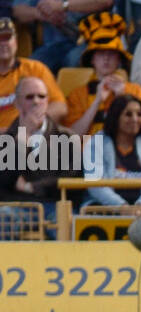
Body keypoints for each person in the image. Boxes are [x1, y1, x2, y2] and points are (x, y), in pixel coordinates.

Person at [0, 76, 82, 225]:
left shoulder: (68, 137)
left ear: (47, 101)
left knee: (72, 225)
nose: (36, 101)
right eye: (29, 97)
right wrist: (21, 144)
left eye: (41, 96)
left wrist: (31, 186)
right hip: (17, 206)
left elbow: (73, 180)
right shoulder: (5, 139)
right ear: (17, 103)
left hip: (56, 206)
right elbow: (4, 183)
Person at [65, 12, 141, 135]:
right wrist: (97, 102)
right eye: (100, 53)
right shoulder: (78, 95)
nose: (106, 58)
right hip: (88, 152)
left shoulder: (135, 91)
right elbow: (72, 137)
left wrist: (123, 99)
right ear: (92, 59)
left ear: (119, 59)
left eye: (111, 53)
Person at [83, 93, 141, 205]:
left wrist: (140, 205)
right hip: (105, 208)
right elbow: (95, 185)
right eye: (128, 114)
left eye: (139, 114)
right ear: (115, 116)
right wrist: (121, 206)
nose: (135, 119)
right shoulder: (96, 142)